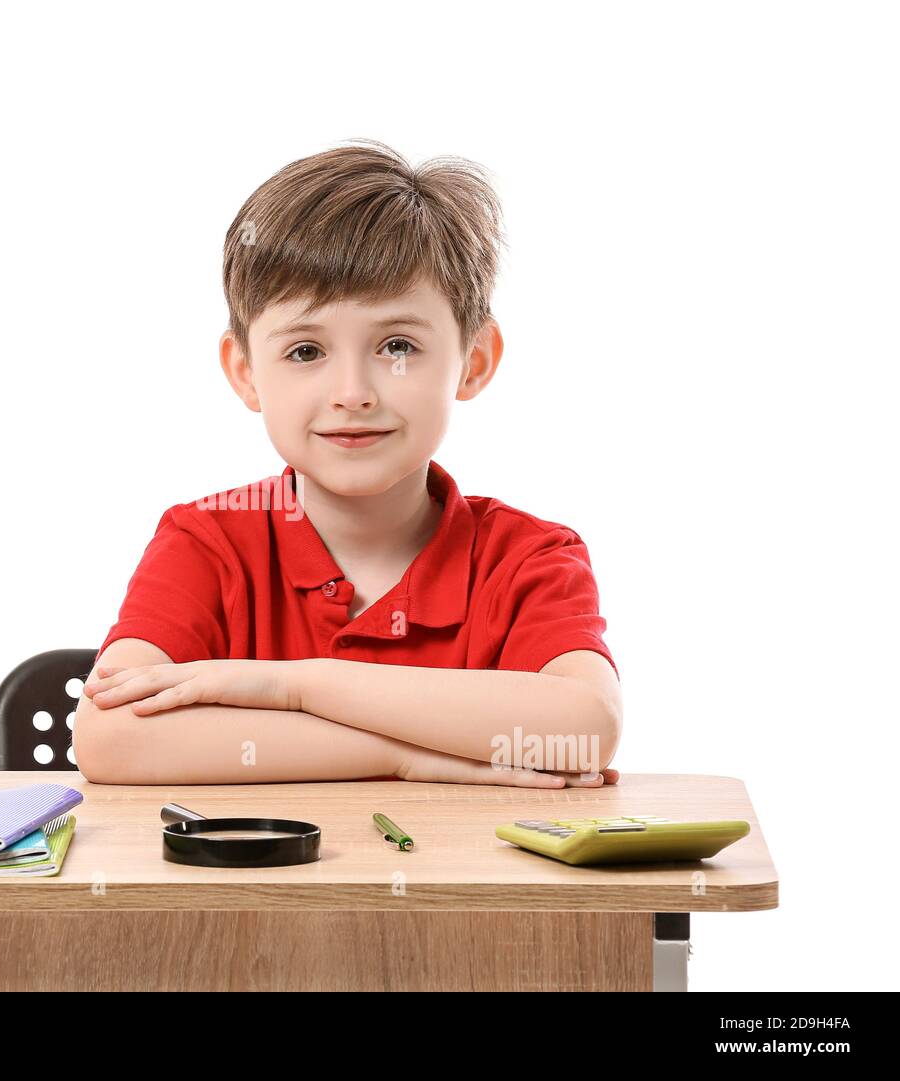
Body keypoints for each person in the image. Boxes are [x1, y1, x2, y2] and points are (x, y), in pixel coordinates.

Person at [74, 140, 621, 787]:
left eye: (397, 345)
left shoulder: (527, 557)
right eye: (306, 351)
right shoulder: (205, 539)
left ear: (473, 359)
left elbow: (584, 728)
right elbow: (111, 739)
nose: (353, 391)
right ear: (246, 373)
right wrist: (403, 757)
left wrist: (292, 686)